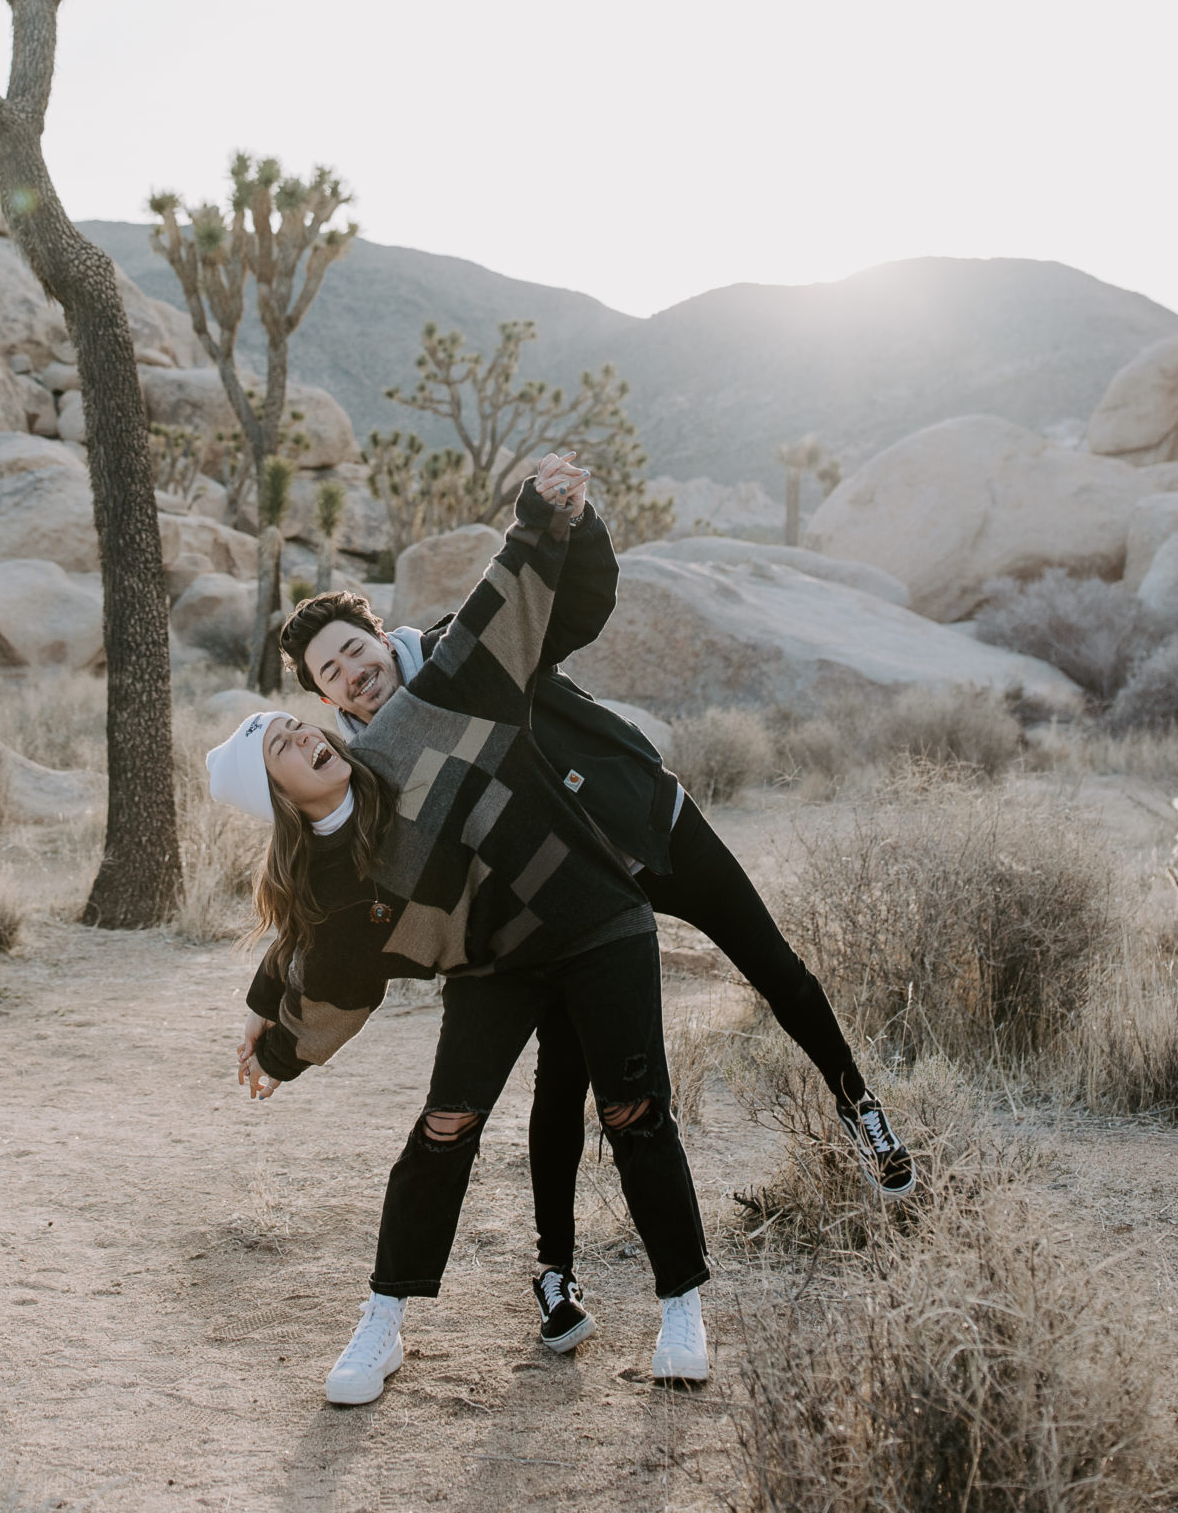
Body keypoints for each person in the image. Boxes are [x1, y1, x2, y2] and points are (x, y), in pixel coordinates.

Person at [265, 458, 914, 1355]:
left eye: (354, 649)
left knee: (774, 967)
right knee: (561, 1080)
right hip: (569, 900)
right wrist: (276, 1002)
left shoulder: (471, 648)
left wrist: (577, 518)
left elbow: (579, 607)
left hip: (649, 827)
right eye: (330, 672)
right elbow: (338, 894)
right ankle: (555, 1272)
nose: (352, 672)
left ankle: (860, 1109)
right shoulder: (376, 772)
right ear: (325, 695)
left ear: (381, 637)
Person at [209, 457, 711, 1406]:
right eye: (292, 732)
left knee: (634, 1112)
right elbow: (331, 953)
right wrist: (271, 1026)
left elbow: (491, 616)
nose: (327, 711)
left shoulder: (433, 706)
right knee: (445, 1127)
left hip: (596, 917)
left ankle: (681, 1305)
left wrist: (537, 517)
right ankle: (382, 1321)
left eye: (352, 656)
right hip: (494, 960)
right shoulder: (355, 827)